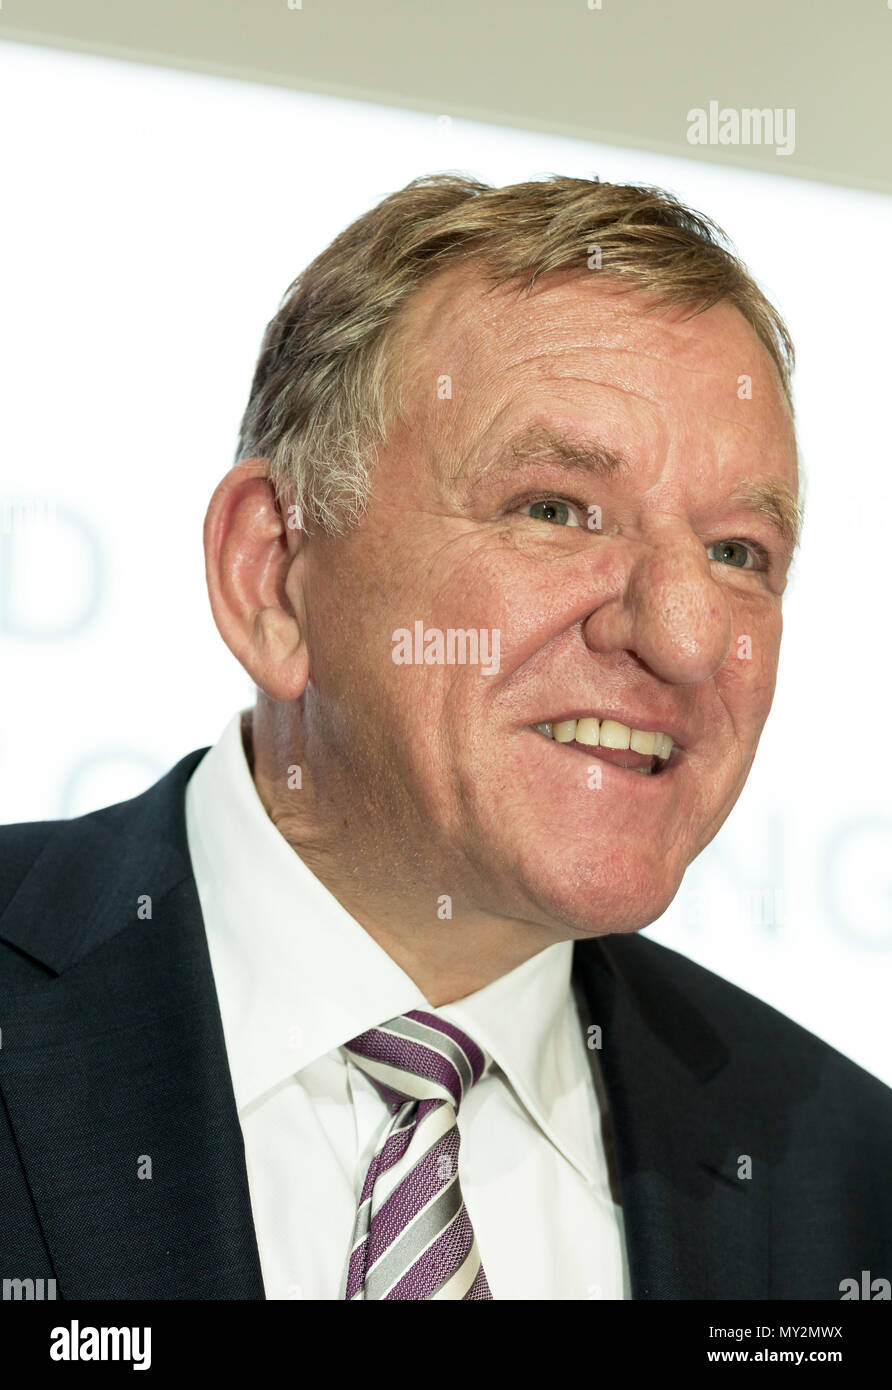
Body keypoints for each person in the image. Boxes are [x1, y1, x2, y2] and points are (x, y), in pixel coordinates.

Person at [1, 174, 889, 1301]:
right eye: (555, 509)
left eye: (737, 552)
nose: (682, 635)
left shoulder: (852, 1185)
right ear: (270, 576)